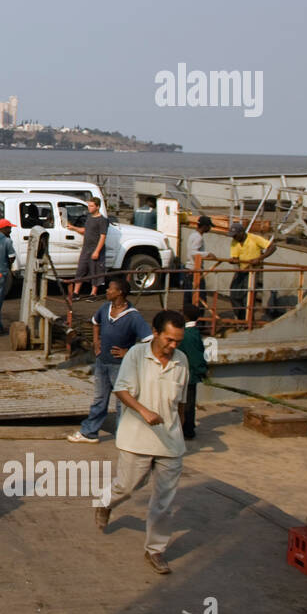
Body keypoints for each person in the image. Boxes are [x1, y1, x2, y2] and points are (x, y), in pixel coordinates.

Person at [94, 310, 189, 575]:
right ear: (156, 333)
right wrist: (144, 411)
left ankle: (155, 550)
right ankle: (105, 502)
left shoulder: (182, 361)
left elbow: (180, 403)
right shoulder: (136, 354)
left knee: (164, 502)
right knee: (127, 486)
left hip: (170, 443)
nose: (173, 346)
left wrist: (179, 431)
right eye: (169, 340)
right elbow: (121, 390)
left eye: (177, 341)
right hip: (137, 438)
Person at [68, 276, 153, 444]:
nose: (107, 291)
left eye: (110, 288)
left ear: (120, 292)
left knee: (123, 403)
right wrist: (96, 341)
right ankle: (89, 432)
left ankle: (124, 436)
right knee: (99, 399)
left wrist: (128, 352)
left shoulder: (133, 317)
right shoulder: (105, 308)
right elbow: (95, 323)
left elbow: (148, 340)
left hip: (120, 367)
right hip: (102, 363)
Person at [227, 222, 276, 322]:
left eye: (235, 235)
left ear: (241, 233)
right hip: (241, 270)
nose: (234, 237)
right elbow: (235, 256)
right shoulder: (234, 242)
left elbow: (272, 247)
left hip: (252, 271)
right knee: (234, 294)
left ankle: (248, 321)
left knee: (248, 296)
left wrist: (260, 258)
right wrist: (233, 260)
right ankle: (241, 318)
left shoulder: (254, 238)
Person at [68, 197, 110, 296]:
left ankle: (93, 293)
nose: (89, 208)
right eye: (88, 206)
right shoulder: (89, 218)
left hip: (95, 249)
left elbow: (103, 237)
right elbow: (85, 231)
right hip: (86, 249)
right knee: (81, 270)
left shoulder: (102, 220)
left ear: (98, 207)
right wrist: (73, 228)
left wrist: (97, 251)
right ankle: (76, 292)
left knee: (95, 271)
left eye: (91, 206)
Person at [177, 303, 207, 440]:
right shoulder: (193, 333)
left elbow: (194, 357)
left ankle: (187, 429)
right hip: (190, 374)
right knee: (188, 402)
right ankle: (188, 428)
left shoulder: (187, 335)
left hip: (187, 374)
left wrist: (201, 369)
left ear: (185, 316)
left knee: (186, 403)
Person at [179, 215, 214, 309]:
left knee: (189, 296)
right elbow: (193, 253)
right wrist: (207, 254)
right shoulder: (198, 238)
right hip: (194, 270)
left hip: (189, 269)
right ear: (205, 226)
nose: (210, 228)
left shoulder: (193, 235)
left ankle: (188, 318)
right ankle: (199, 320)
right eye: (209, 226)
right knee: (199, 296)